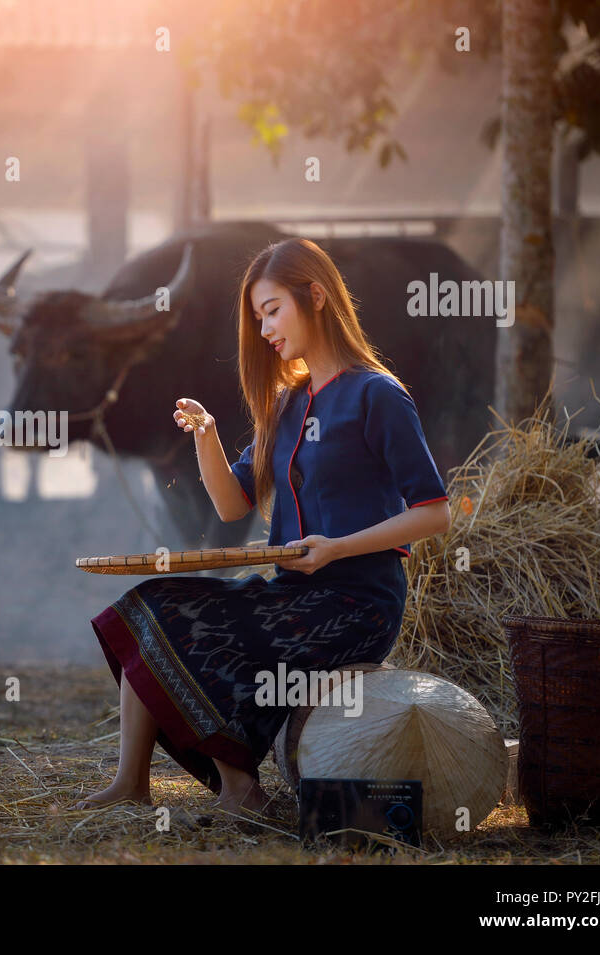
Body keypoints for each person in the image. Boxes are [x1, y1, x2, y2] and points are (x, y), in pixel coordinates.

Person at [74, 237, 451, 816]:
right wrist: (206, 436)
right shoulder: (286, 404)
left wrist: (337, 548)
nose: (265, 328)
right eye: (258, 316)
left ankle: (240, 790)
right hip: (292, 592)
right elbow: (231, 504)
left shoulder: (378, 395)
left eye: (273, 309)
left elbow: (434, 511)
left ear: (317, 296)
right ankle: (132, 782)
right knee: (154, 601)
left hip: (357, 601)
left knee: (209, 628)